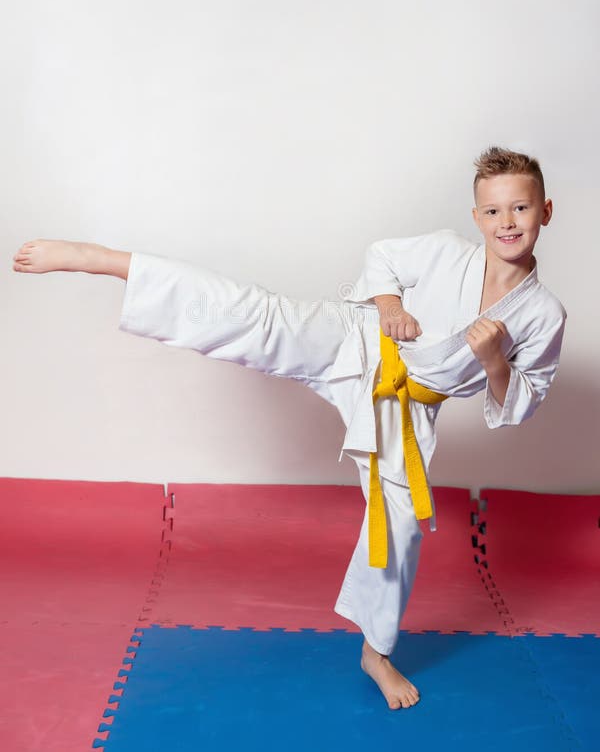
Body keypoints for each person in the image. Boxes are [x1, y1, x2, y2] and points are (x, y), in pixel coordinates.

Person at [11, 147, 566, 711]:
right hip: (360, 337)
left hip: (404, 406)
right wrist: (391, 304)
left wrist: (496, 358)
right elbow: (382, 259)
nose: (507, 223)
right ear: (477, 218)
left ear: (545, 211)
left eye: (520, 208)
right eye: (494, 212)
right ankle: (106, 260)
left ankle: (376, 651)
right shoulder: (448, 251)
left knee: (400, 530)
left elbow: (519, 403)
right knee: (258, 315)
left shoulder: (542, 314)